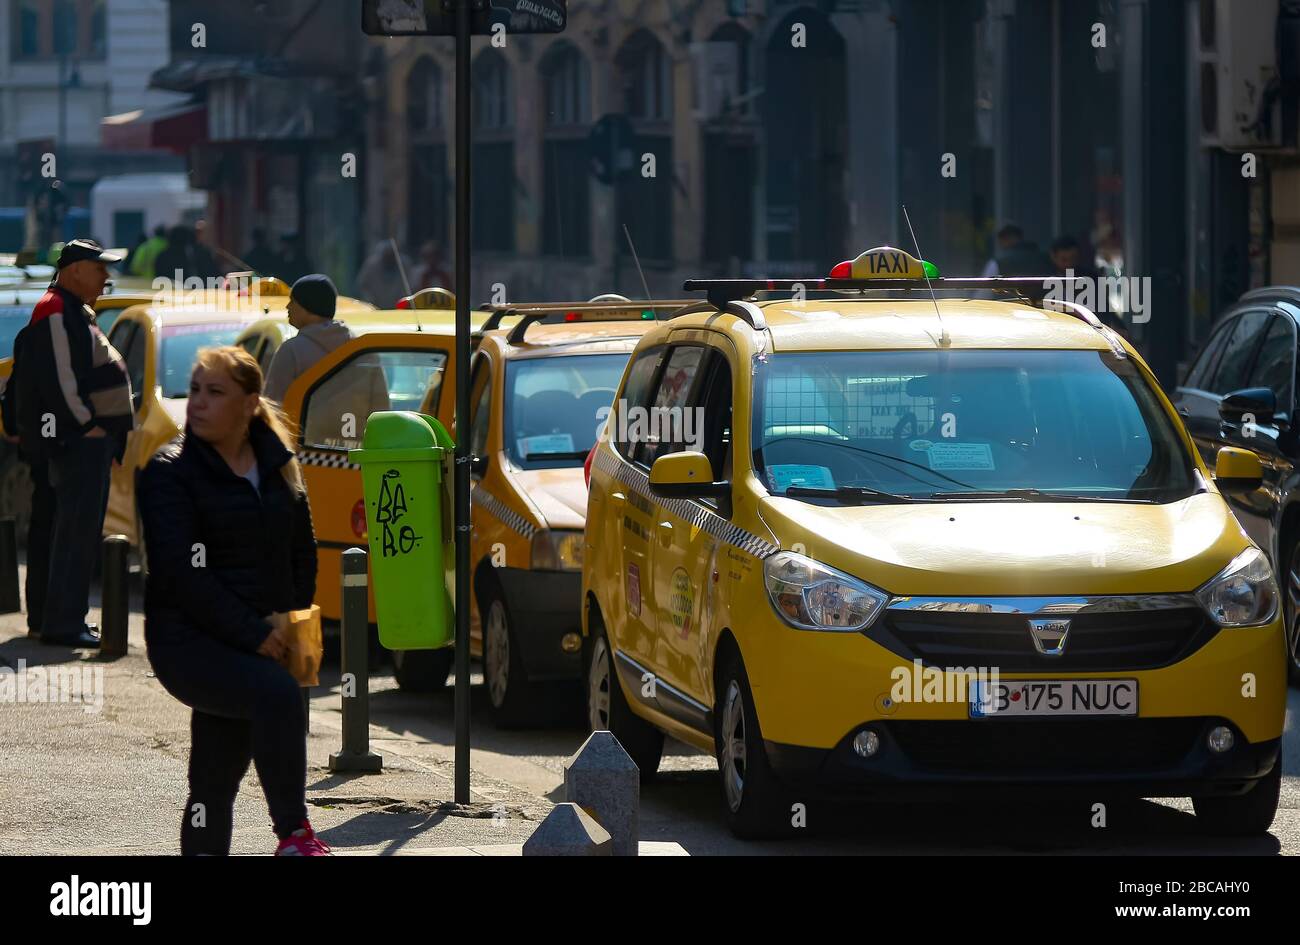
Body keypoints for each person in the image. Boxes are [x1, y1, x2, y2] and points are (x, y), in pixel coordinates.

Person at [139, 345, 326, 856]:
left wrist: (292, 626)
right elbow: (180, 574)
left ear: (248, 404)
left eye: (214, 392)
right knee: (276, 697)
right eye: (195, 389)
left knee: (213, 782)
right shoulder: (168, 472)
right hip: (189, 642)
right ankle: (294, 833)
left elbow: (301, 553)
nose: (197, 402)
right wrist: (256, 634)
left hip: (262, 639)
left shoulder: (277, 464)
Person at [15, 239, 134, 647]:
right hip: (78, 444)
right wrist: (87, 426)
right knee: (74, 534)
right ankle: (64, 624)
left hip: (83, 443)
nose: (106, 278)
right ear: (75, 270)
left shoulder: (68, 308)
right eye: (99, 269)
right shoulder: (55, 310)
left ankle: (59, 619)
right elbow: (60, 381)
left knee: (70, 533)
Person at [354, 240, 410, 308]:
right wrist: (369, 299)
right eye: (387, 256)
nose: (389, 259)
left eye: (392, 256)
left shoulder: (404, 265)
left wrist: (402, 299)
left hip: (397, 306)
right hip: (375, 306)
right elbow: (362, 285)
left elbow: (410, 285)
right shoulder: (371, 265)